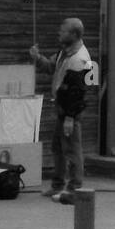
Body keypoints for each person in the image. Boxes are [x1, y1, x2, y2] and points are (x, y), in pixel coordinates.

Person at [30, 17, 91, 204]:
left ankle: (75, 190)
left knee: (72, 150)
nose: (59, 33)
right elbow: (50, 67)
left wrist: (70, 118)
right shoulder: (64, 52)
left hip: (70, 111)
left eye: (63, 30)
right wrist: (37, 59)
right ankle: (58, 184)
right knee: (57, 147)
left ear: (73, 34)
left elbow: (79, 92)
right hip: (62, 108)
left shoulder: (80, 59)